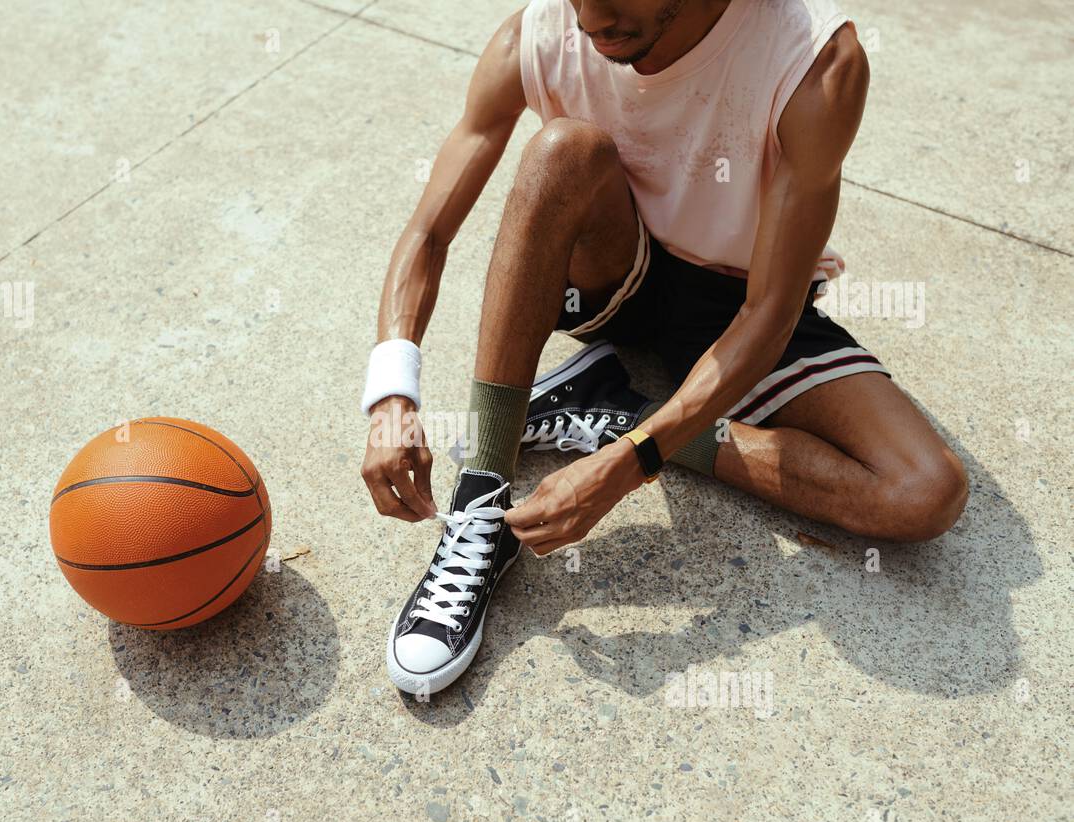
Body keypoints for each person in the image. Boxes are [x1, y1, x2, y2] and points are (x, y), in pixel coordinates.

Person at [359, 0, 968, 695]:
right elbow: (429, 233)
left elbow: (768, 315)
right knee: (563, 152)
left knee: (924, 493)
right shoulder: (542, 34)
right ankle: (483, 498)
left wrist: (635, 456)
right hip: (619, 270)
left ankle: (620, 411)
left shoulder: (814, 62)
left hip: (747, 299)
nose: (590, 15)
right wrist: (391, 397)